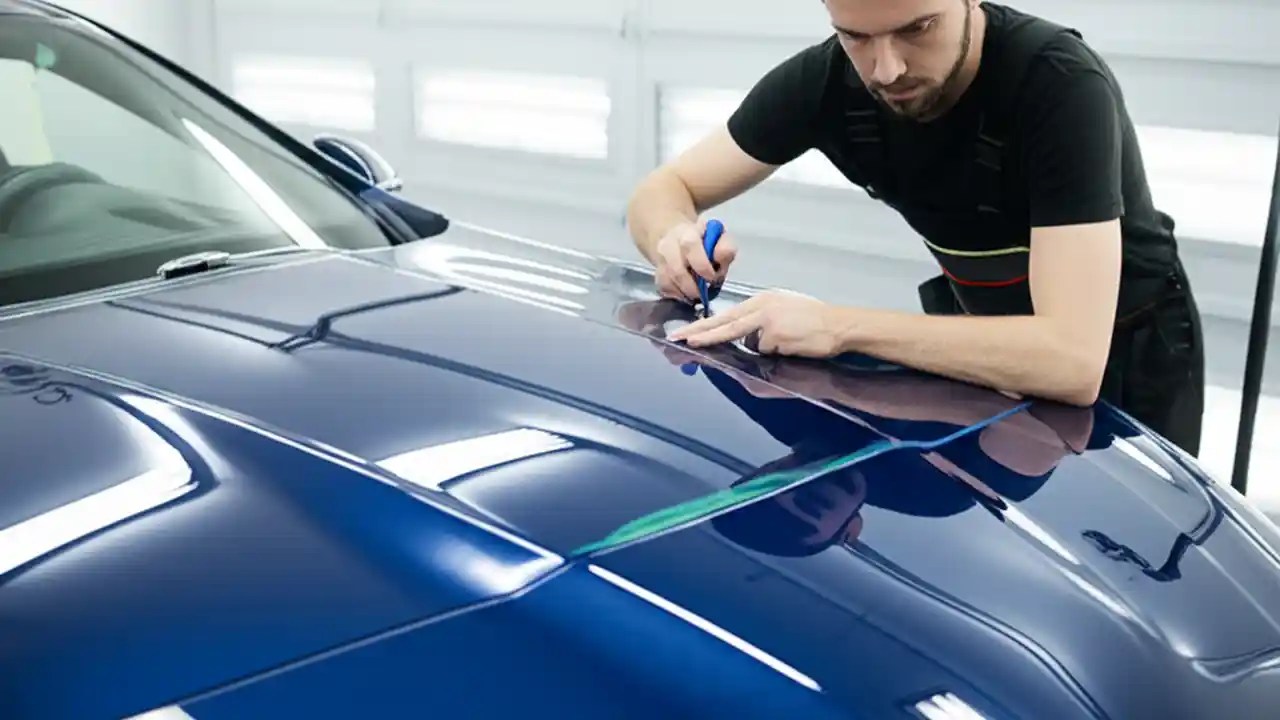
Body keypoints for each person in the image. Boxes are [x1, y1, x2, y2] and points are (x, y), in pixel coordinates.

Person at [624, 0, 1205, 456]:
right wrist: (672, 237)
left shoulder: (1059, 85)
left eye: (918, 28)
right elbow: (662, 189)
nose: (887, 69)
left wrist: (837, 326)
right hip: (982, 335)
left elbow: (1073, 362)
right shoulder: (825, 83)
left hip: (1128, 348)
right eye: (855, 36)